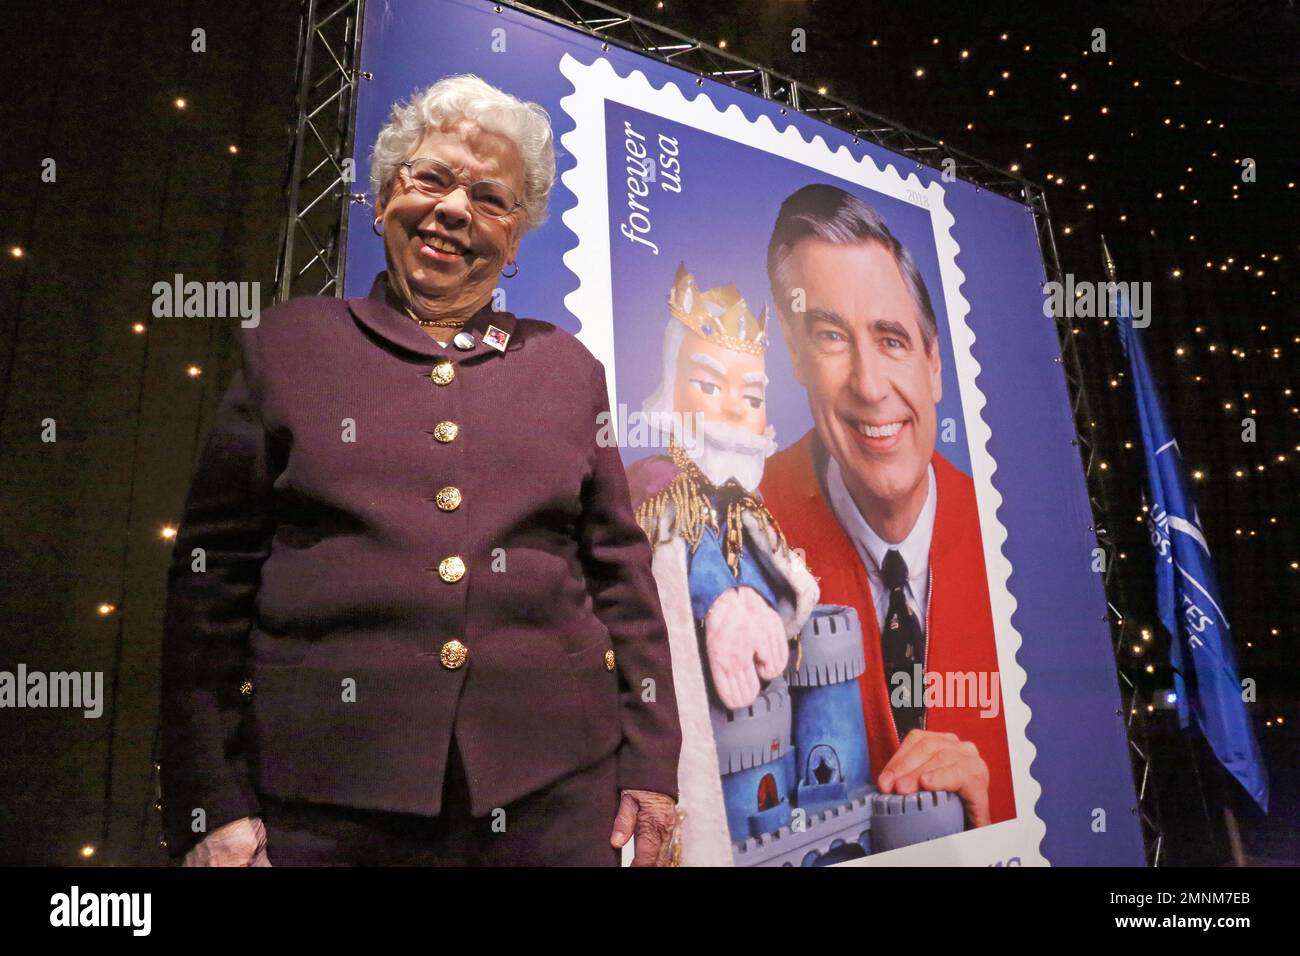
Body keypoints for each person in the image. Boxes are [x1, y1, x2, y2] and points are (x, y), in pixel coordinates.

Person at [159, 74, 681, 866]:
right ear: (381, 198)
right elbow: (209, 587)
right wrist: (211, 800)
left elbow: (620, 578)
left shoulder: (570, 370)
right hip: (324, 812)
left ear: (515, 237)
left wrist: (650, 767)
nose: (453, 208)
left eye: (490, 197)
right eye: (430, 178)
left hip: (559, 806)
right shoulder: (287, 347)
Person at [758, 184, 1014, 828]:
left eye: (893, 340)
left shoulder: (1014, 542)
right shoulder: (742, 531)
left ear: (934, 365)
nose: (870, 388)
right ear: (794, 354)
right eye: (830, 337)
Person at [626, 262, 818, 865]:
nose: (734, 409)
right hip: (688, 730)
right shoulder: (657, 486)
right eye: (709, 386)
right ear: (672, 385)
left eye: (753, 395)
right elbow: (668, 573)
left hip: (765, 732)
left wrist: (769, 602)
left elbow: (788, 582)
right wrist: (725, 603)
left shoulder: (751, 504)